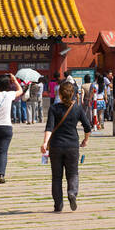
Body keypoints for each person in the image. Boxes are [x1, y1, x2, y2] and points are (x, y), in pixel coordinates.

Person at [41, 79, 92, 212]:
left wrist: (45, 142)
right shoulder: (77, 108)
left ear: (60, 94)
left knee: (56, 177)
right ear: (73, 94)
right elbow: (87, 127)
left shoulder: (54, 108)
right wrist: (85, 140)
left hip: (56, 146)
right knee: (73, 173)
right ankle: (72, 192)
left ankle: (58, 205)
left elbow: (49, 128)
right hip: (72, 145)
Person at [0, 73, 25, 183]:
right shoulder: (9, 95)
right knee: (3, 152)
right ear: (7, 84)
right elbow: (20, 91)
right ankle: (1, 174)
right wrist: (15, 80)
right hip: (7, 127)